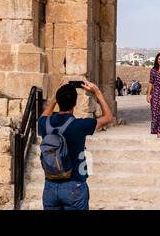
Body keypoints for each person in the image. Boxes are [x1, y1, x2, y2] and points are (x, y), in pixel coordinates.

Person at [37, 79, 113, 210]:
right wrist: (97, 92)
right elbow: (108, 117)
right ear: (75, 103)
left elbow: (43, 116)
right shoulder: (79, 125)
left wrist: (56, 98)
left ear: (58, 101)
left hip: (50, 186)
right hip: (74, 185)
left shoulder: (45, 124)